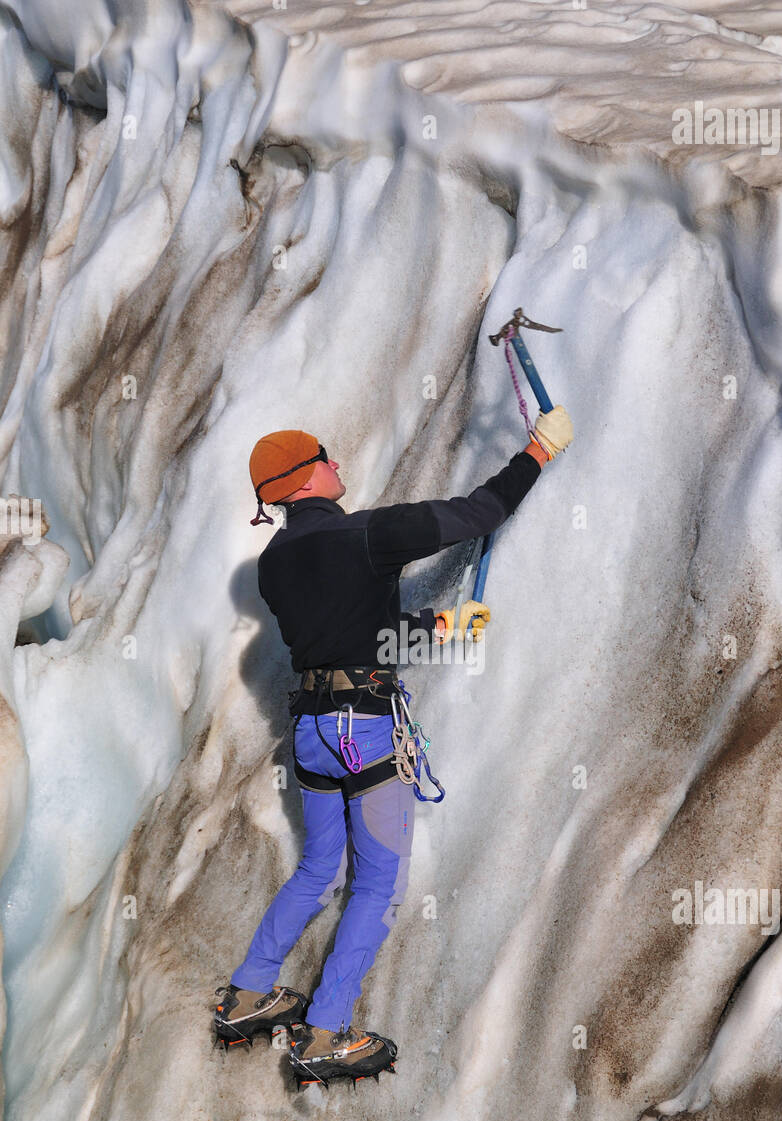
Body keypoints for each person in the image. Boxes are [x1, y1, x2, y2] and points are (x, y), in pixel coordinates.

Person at [214, 407, 573, 1083]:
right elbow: (476, 514)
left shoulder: (274, 565)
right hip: (364, 728)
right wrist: (537, 452)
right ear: (304, 476)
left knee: (319, 867)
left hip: (313, 730)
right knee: (378, 882)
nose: (338, 465)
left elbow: (342, 629)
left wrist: (432, 624)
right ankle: (323, 1033)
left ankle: (249, 990)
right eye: (326, 457)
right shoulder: (368, 534)